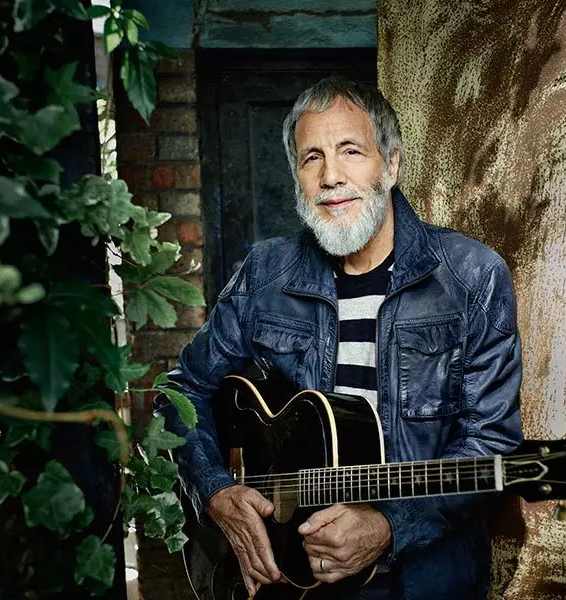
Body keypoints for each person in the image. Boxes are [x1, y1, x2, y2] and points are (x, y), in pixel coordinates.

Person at [157, 77, 522, 600]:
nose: (331, 176)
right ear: (297, 176)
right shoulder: (264, 275)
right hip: (287, 578)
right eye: (312, 158)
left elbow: (491, 444)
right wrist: (213, 491)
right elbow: (182, 391)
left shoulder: (472, 278)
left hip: (427, 584)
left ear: (390, 164)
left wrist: (389, 525)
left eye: (350, 151)